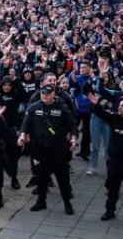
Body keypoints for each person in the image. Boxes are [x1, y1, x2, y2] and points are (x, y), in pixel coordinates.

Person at [19, 83, 77, 214]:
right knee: (41, 178)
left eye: (48, 93)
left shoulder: (61, 107)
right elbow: (25, 125)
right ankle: (41, 201)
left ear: (53, 94)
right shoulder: (34, 107)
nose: (45, 96)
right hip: (40, 150)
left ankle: (67, 203)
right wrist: (22, 135)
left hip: (58, 149)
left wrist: (73, 137)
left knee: (63, 179)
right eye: (42, 93)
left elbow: (72, 123)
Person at [88, 92, 123, 221]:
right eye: (119, 106)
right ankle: (110, 211)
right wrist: (96, 105)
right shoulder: (115, 118)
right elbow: (101, 114)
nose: (120, 108)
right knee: (112, 189)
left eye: (122, 106)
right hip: (114, 161)